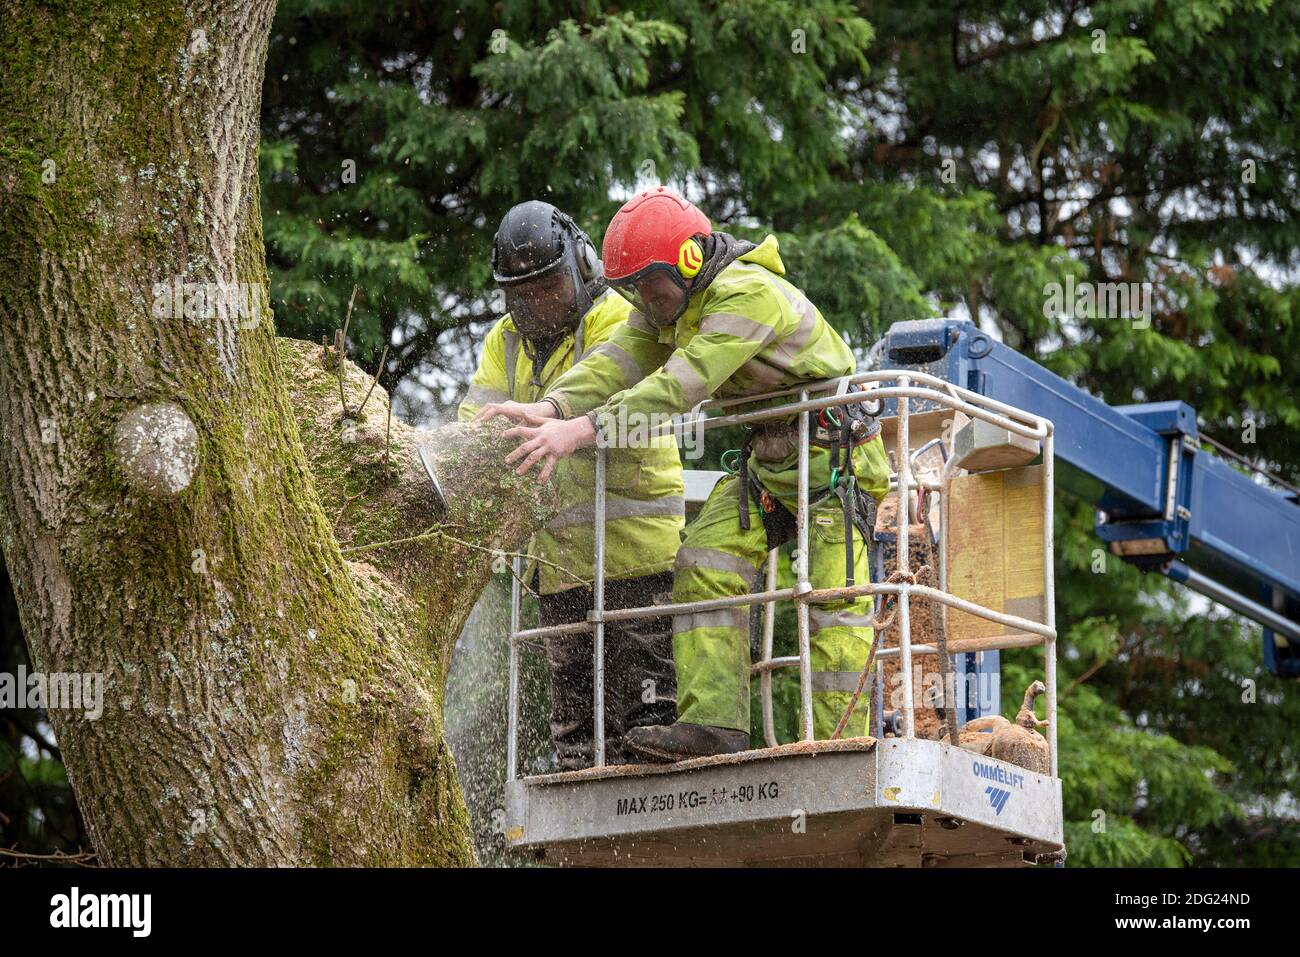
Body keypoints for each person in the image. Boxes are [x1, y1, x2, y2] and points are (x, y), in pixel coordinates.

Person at [474, 187, 890, 762]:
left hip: (834, 465)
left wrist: (583, 430)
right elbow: (614, 366)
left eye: (649, 285)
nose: (642, 299)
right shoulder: (666, 310)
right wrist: (553, 409)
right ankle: (715, 728)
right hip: (768, 468)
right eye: (632, 289)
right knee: (703, 563)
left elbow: (678, 387)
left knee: (832, 603)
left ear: (690, 260)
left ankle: (841, 744)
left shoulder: (750, 294)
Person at [458, 201, 685, 769]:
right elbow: (473, 425)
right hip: (558, 571)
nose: (537, 304)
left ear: (583, 267)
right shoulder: (503, 343)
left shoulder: (620, 319)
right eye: (523, 292)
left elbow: (617, 393)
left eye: (550, 287)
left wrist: (550, 417)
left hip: (636, 558)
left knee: (647, 730)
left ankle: (653, 844)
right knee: (579, 742)